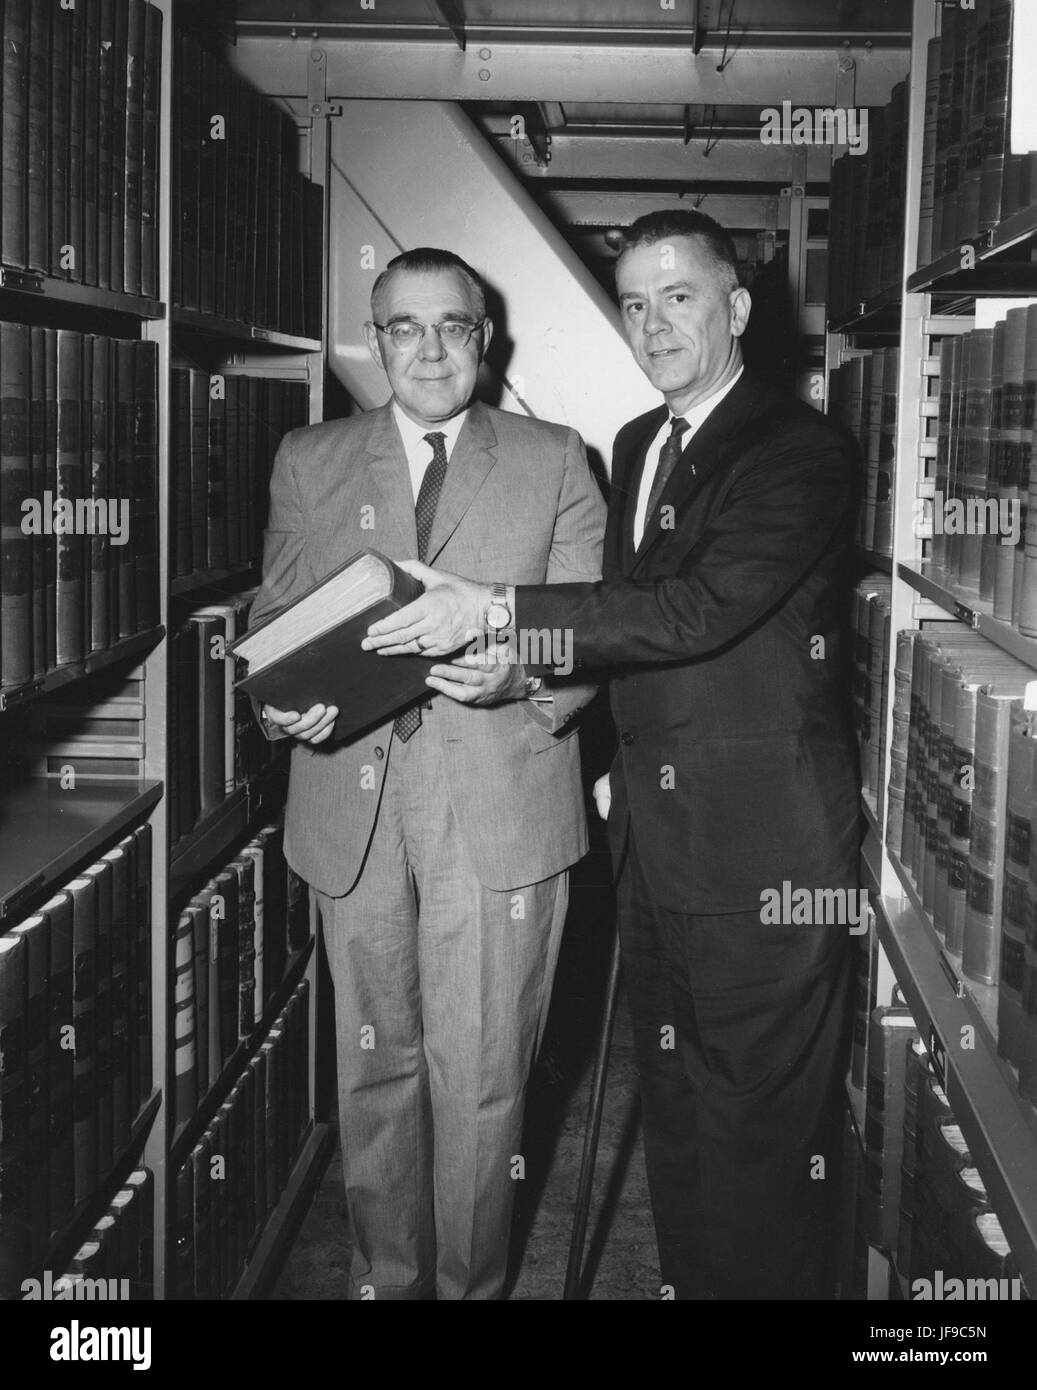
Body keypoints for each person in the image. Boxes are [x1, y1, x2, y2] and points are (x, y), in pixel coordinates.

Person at [363, 211, 862, 1300]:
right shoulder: (640, 444)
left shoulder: (798, 450)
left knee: (761, 1152)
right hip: (654, 846)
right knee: (681, 1128)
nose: (650, 323)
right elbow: (619, 617)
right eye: (632, 302)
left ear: (735, 309)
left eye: (676, 296)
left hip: (763, 862)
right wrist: (517, 658)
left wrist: (489, 612)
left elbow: (689, 611)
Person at [250, 247, 606, 1300]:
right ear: (375, 340)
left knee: (486, 1081)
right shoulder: (309, 459)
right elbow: (272, 626)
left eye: (454, 326)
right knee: (373, 1075)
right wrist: (276, 704)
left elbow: (593, 632)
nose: (431, 350)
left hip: (498, 803)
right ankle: (388, 1282)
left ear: (482, 340)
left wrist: (521, 676)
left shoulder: (551, 458)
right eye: (405, 328)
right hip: (349, 808)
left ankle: (471, 1290)